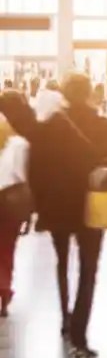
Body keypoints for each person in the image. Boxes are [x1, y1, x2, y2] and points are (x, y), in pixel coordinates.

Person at [38, 74, 107, 358]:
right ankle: (79, 337)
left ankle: (65, 318)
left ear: (63, 94)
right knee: (88, 271)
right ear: (90, 94)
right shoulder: (105, 127)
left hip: (58, 206)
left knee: (62, 261)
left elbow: (35, 167)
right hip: (94, 207)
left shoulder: (50, 127)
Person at [0, 98, 30, 318]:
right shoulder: (20, 144)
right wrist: (29, 212)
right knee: (7, 248)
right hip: (10, 200)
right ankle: (4, 290)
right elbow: (23, 177)